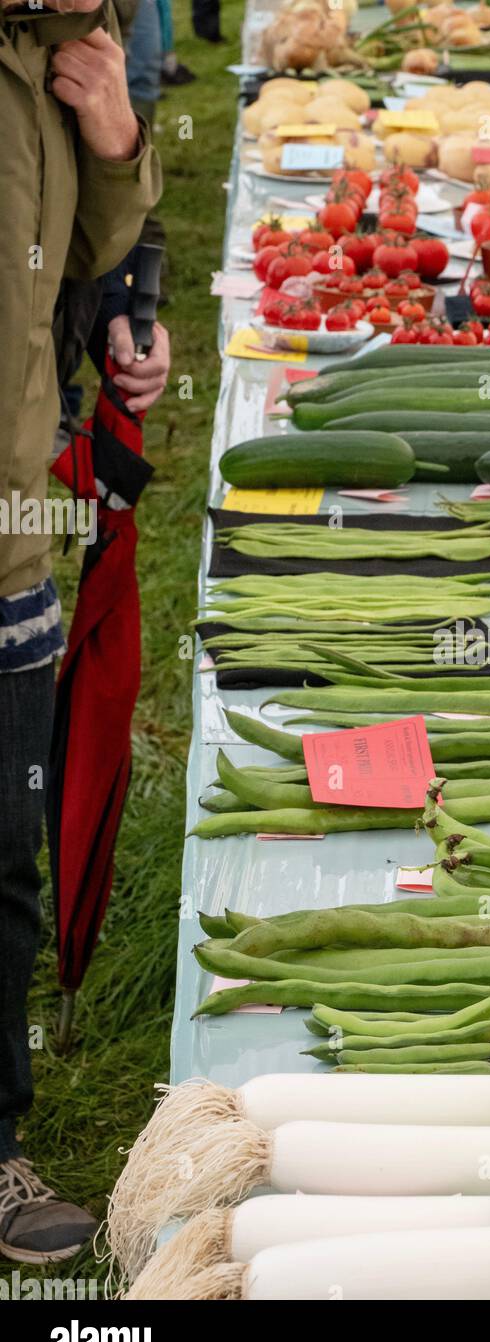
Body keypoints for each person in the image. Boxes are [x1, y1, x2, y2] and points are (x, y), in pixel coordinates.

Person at [0, 0, 161, 1265]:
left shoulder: (53, 51)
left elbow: (57, 266)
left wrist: (113, 142)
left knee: (6, 851)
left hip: (13, 522)